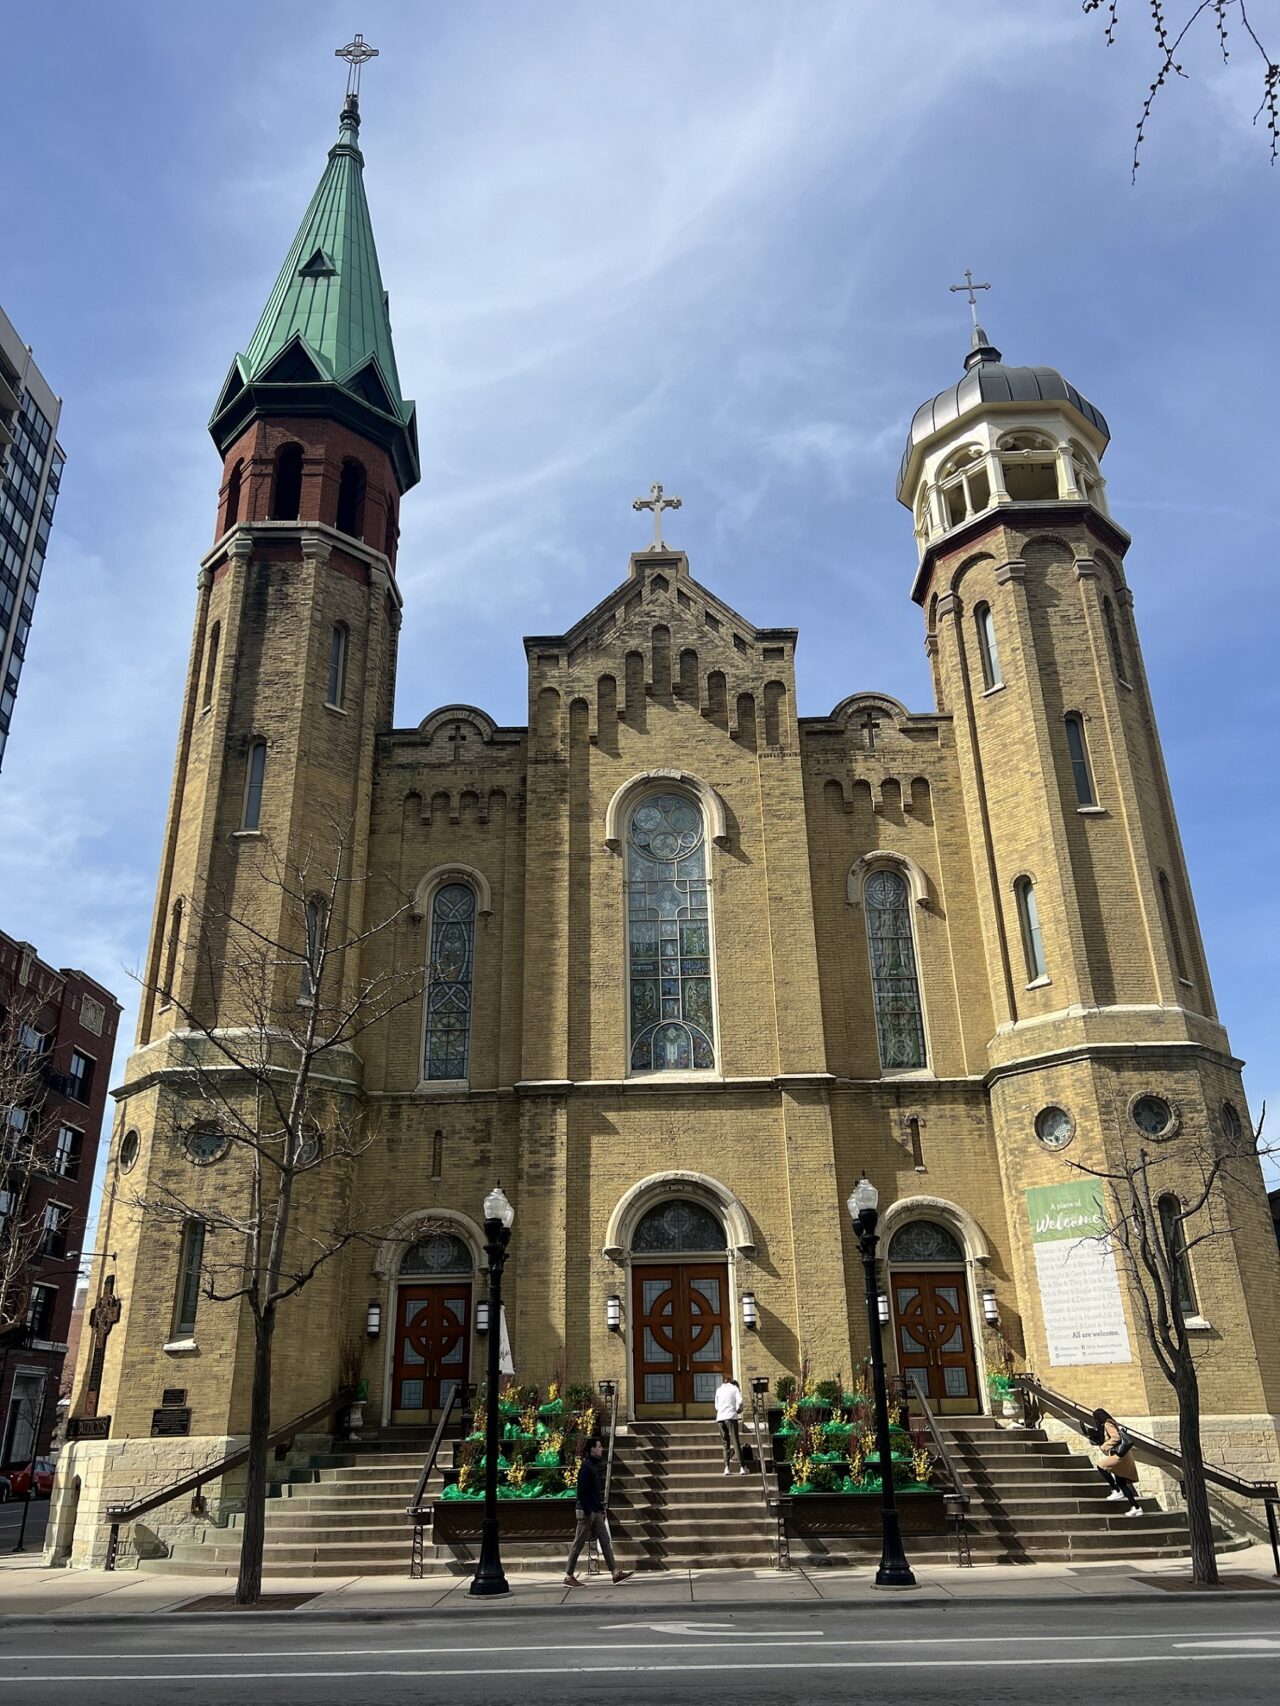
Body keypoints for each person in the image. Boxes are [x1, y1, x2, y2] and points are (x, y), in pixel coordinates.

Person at [563, 1436, 633, 1585]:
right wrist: (589, 1511)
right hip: (586, 1512)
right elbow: (581, 1492)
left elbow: (595, 1492)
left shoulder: (594, 1466)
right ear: (592, 1449)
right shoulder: (586, 1467)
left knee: (605, 1541)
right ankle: (569, 1576)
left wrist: (600, 1508)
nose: (602, 1449)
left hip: (595, 1511)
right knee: (579, 1543)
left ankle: (615, 1573)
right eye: (599, 1446)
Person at [1089, 1407, 1142, 1516]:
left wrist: (1104, 1446)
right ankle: (1136, 1507)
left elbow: (1116, 1438)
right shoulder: (1113, 1422)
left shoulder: (1108, 1424)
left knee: (1101, 1466)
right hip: (1124, 1455)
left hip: (1120, 1457)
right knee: (1122, 1484)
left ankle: (1115, 1490)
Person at [714, 1376, 748, 1475]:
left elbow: (716, 1406)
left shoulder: (719, 1390)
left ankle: (727, 1468)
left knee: (725, 1443)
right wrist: (737, 1409)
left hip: (720, 1418)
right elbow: (740, 1401)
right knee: (735, 1442)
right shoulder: (734, 1388)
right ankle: (741, 1467)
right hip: (731, 1417)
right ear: (730, 1382)